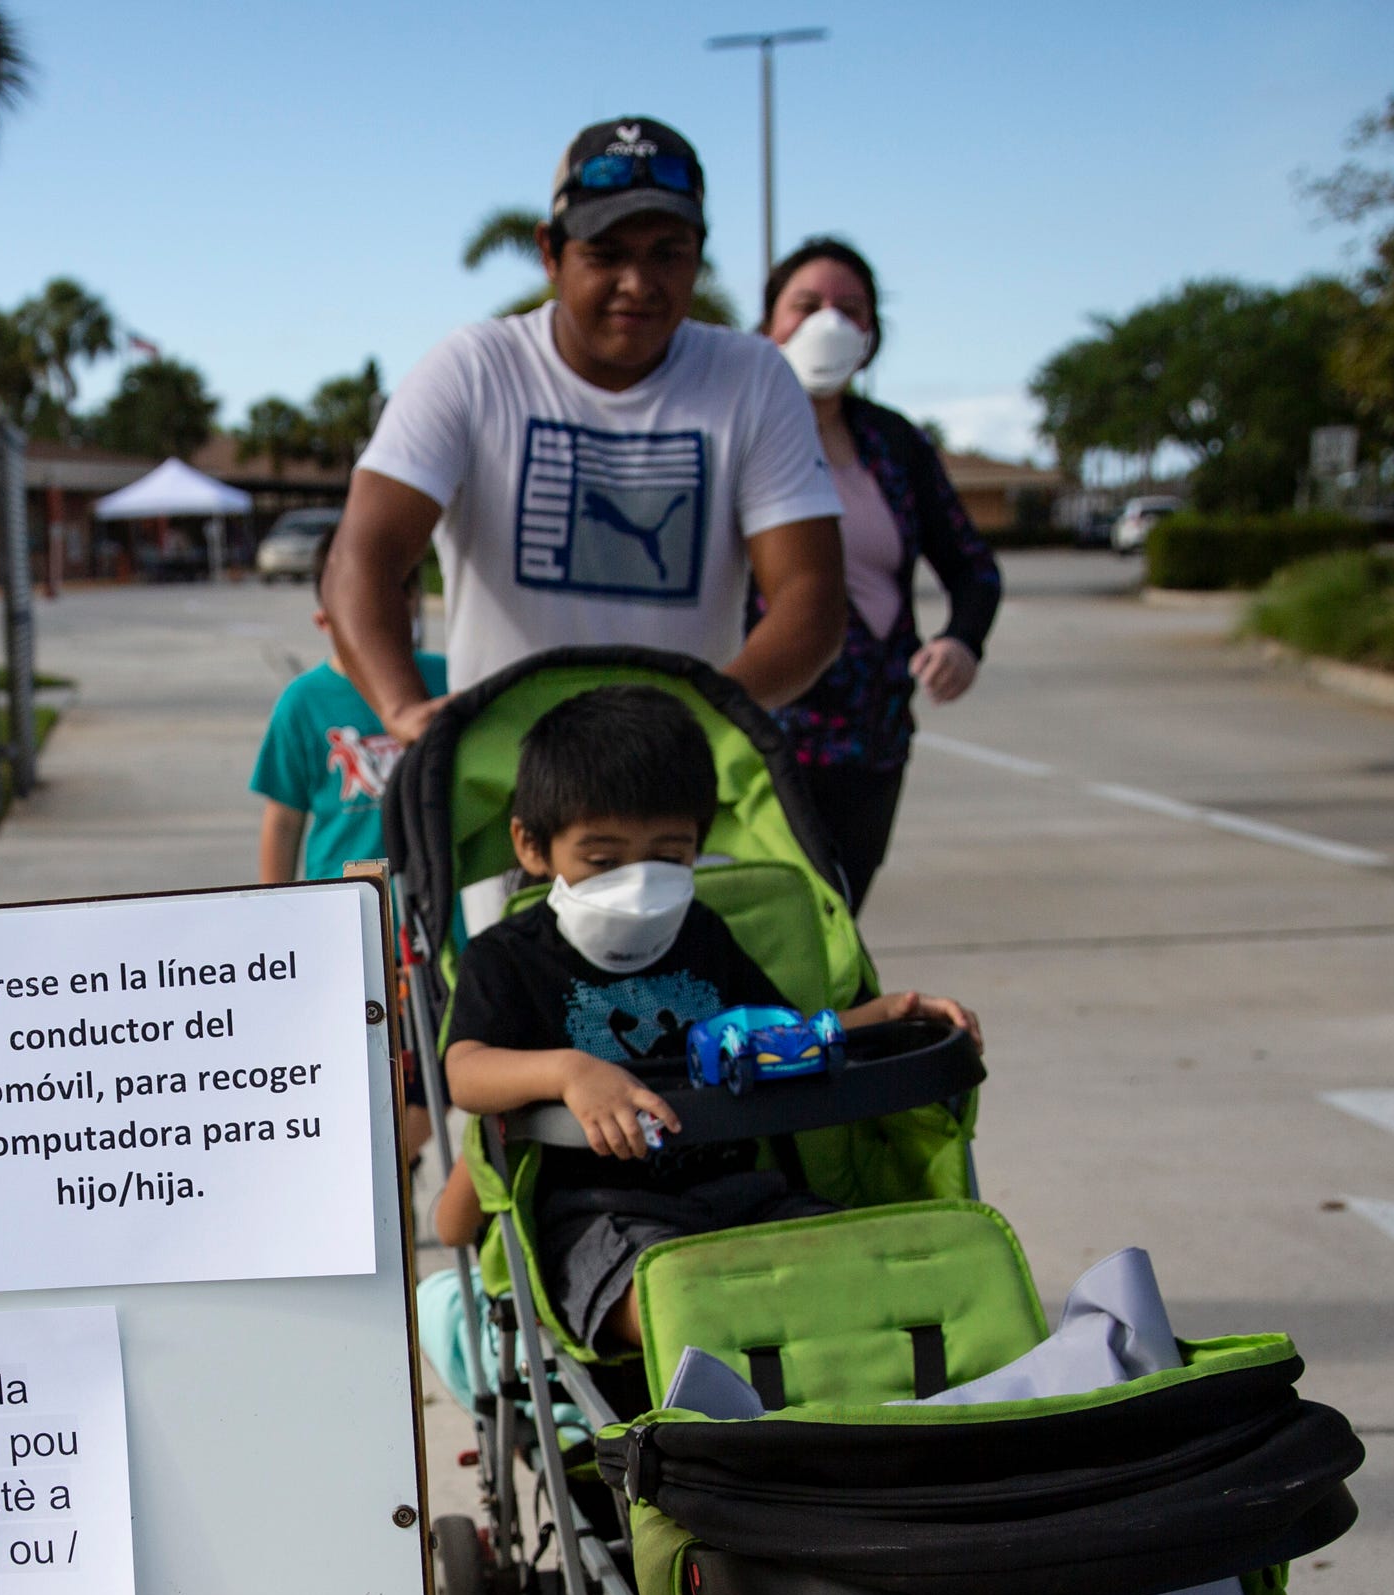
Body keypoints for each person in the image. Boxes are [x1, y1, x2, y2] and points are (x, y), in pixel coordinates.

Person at [441, 687, 975, 1352]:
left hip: (743, 1194)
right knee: (683, 1300)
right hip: (603, 1216)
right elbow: (466, 1072)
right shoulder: (509, 956)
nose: (639, 881)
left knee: (866, 1268)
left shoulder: (703, 933)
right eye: (603, 861)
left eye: (668, 856)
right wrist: (568, 1072)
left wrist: (885, 1017)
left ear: (700, 842)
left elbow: (778, 1036)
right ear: (532, 845)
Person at [322, 117, 848, 739]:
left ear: (699, 256)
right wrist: (402, 708)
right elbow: (362, 557)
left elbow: (811, 595)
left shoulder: (752, 378)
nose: (638, 284)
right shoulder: (474, 369)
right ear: (550, 253)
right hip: (506, 765)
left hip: (681, 766)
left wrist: (704, 715)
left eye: (667, 255)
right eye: (606, 254)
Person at [755, 238, 1003, 912]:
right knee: (776, 928)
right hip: (769, 747)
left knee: (840, 924)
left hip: (874, 744)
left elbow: (973, 568)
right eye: (806, 305)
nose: (828, 323)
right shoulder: (742, 432)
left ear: (871, 334)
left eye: (849, 308)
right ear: (769, 323)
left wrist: (962, 640)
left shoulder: (893, 443)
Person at [250, 610, 447, 885]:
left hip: (443, 901)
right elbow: (283, 820)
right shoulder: (303, 701)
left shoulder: (448, 679)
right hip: (342, 900)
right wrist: (273, 904)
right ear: (324, 620)